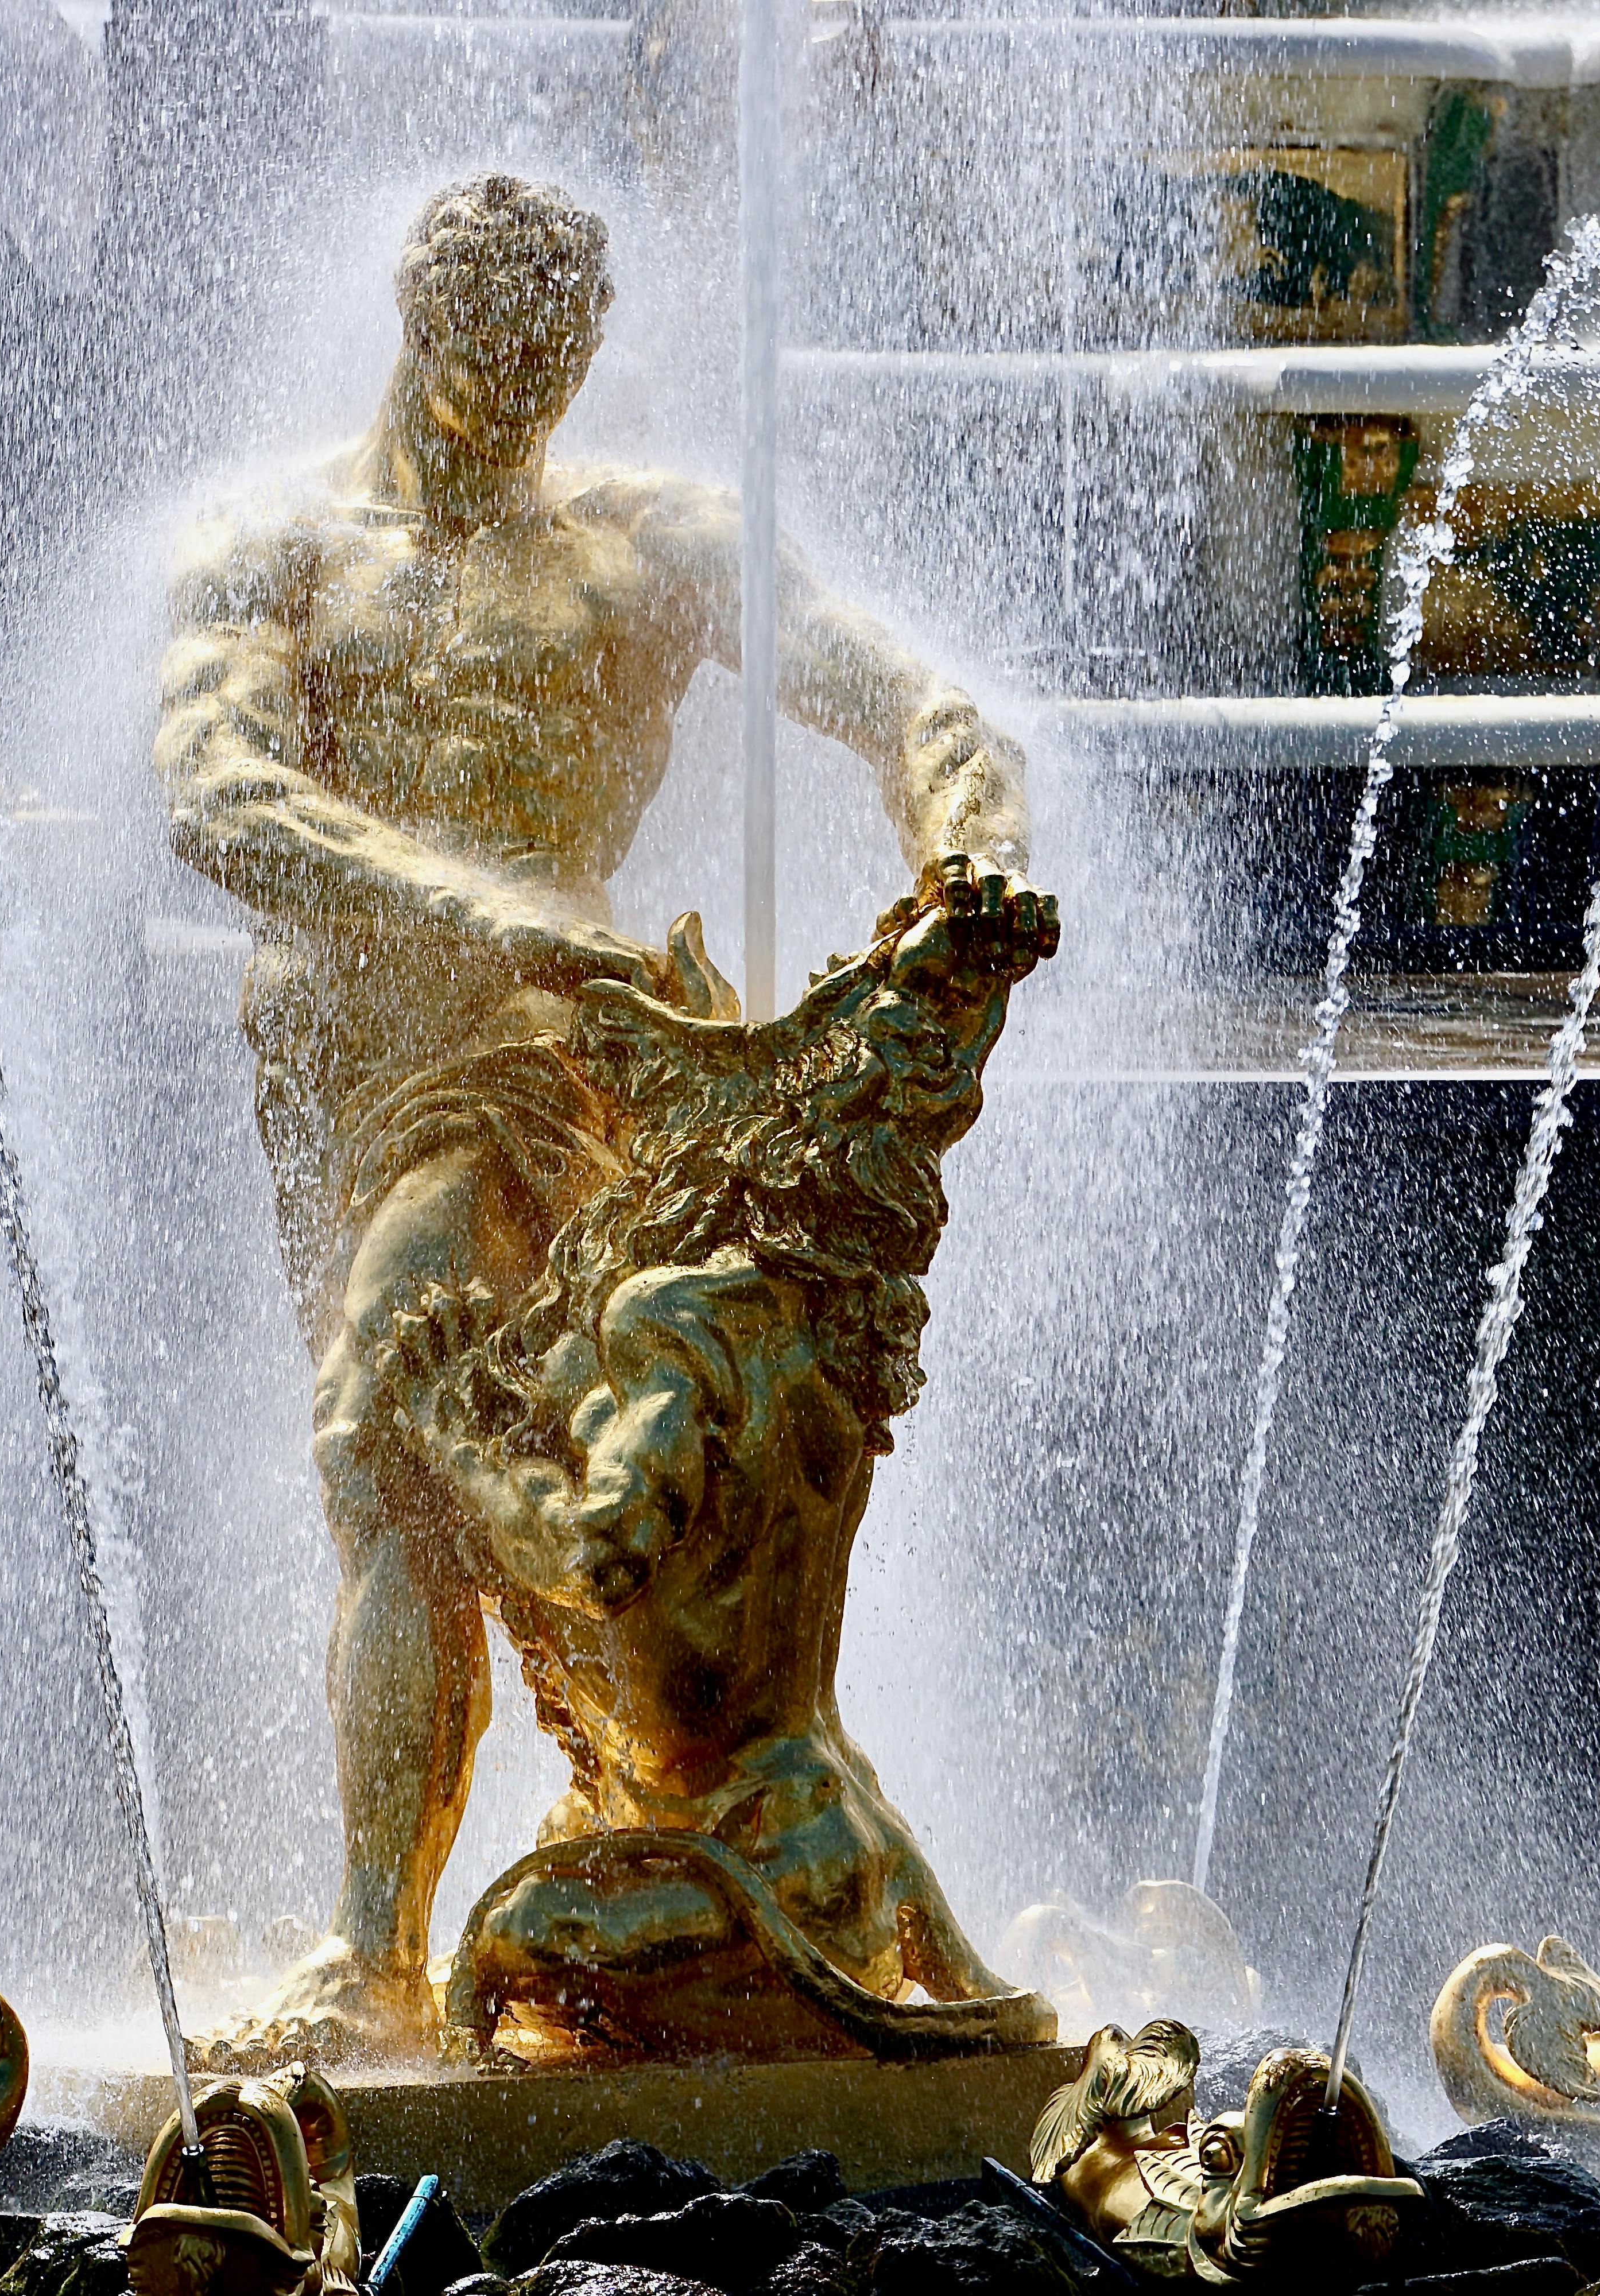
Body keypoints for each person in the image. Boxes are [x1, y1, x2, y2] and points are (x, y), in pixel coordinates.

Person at [156, 172, 1040, 2058]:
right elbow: (219, 796)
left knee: (384, 1427)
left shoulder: (652, 549)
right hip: (342, 1062)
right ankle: (632, 1832)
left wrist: (968, 853)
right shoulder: (279, 548)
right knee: (484, 1467)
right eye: (492, 348)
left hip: (550, 1062)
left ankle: (375, 1958)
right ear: (418, 321)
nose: (528, 391)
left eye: (562, 357)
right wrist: (490, 903)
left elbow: (917, 702)